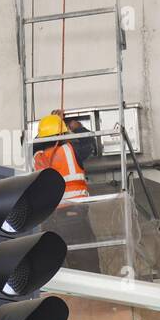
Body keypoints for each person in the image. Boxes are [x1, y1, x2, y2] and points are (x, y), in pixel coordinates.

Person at [32, 112, 99, 273]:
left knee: (56, 270)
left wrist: (53, 122)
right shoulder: (71, 150)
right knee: (87, 265)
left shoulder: (37, 157)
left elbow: (34, 144)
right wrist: (77, 127)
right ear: (62, 134)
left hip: (48, 220)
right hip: (73, 216)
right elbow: (90, 143)